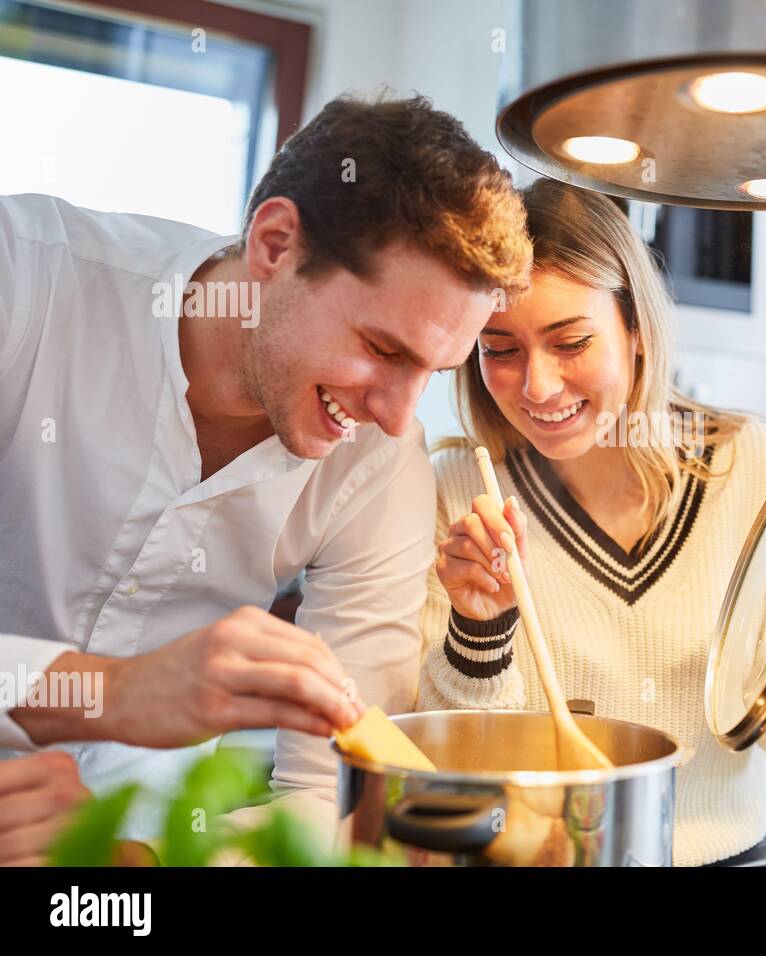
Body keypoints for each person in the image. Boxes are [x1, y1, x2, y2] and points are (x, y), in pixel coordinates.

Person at [0, 92, 532, 864]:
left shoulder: (383, 469)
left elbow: (329, 790)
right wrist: (116, 693)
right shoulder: (27, 283)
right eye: (384, 349)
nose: (395, 414)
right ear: (276, 244)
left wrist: (136, 861)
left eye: (434, 371)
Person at [418, 181, 766, 866]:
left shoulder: (754, 465)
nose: (538, 387)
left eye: (570, 342)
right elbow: (457, 760)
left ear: (636, 332)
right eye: (501, 349)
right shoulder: (462, 488)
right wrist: (480, 629)